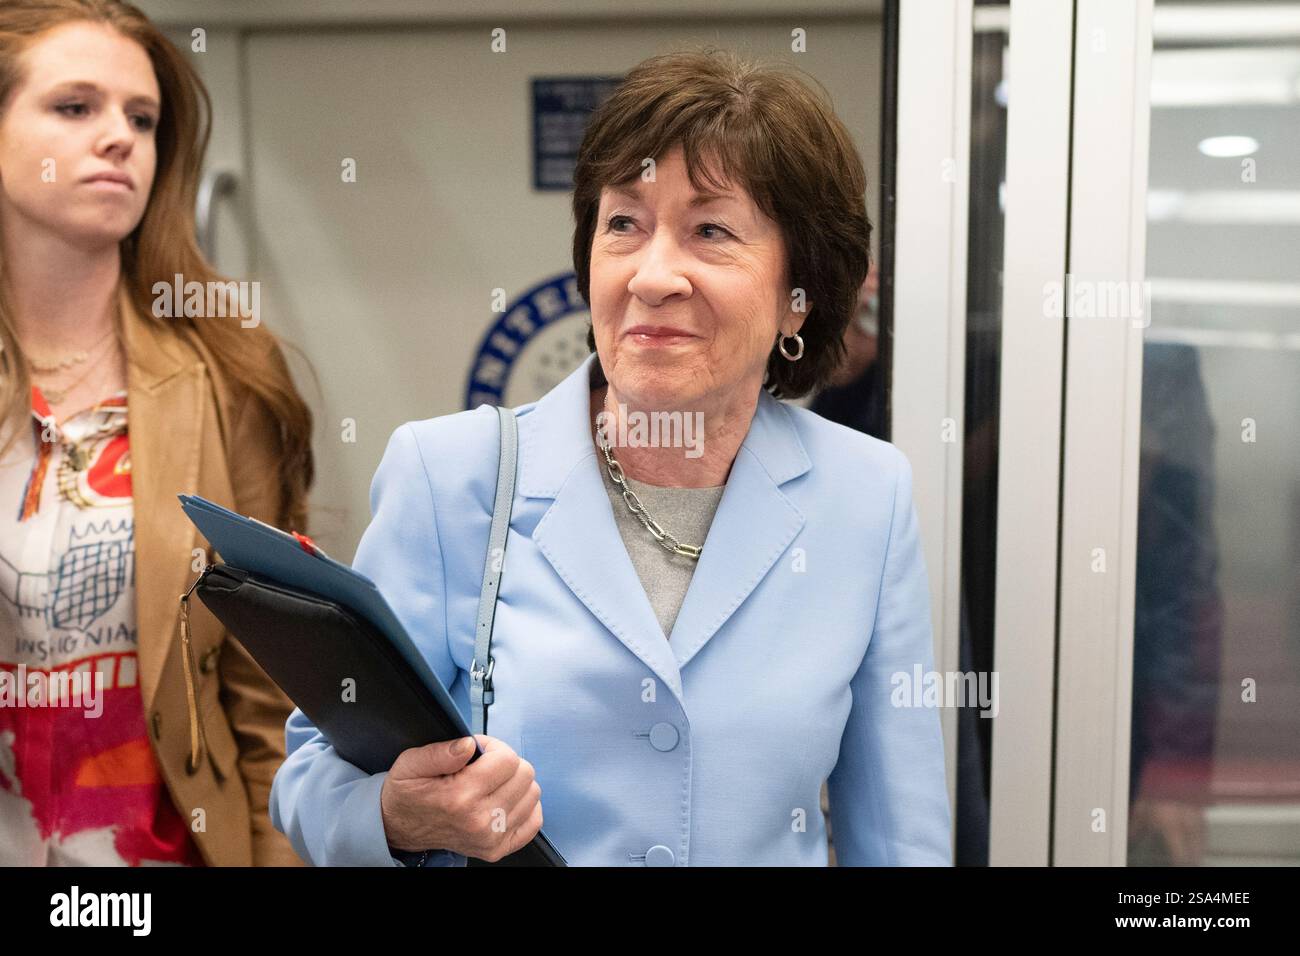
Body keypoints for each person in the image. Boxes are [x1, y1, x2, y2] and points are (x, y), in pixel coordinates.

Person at [271, 47, 951, 866]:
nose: (653, 275)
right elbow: (310, 772)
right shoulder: (452, 477)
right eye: (623, 223)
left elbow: (900, 835)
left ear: (797, 292)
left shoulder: (865, 497)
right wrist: (396, 817)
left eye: (711, 230)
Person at [0, 0, 311, 865]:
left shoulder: (228, 377)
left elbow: (271, 691)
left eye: (142, 119)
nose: (120, 137)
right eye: (75, 107)